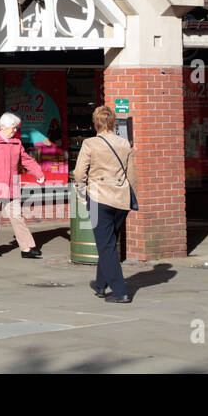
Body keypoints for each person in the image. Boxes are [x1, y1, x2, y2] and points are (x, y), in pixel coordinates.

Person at [74, 105, 138, 304]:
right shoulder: (124, 143)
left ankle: (120, 291)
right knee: (109, 243)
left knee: (107, 246)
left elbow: (79, 173)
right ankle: (101, 284)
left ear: (96, 122)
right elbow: (132, 177)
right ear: (112, 123)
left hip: (98, 197)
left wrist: (82, 193)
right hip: (120, 199)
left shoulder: (90, 144)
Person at [0, 111, 45, 258]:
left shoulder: (16, 143)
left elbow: (26, 160)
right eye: (13, 128)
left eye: (16, 128)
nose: (15, 130)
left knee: (17, 217)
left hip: (12, 187)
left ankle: (27, 248)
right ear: (3, 127)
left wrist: (38, 173)